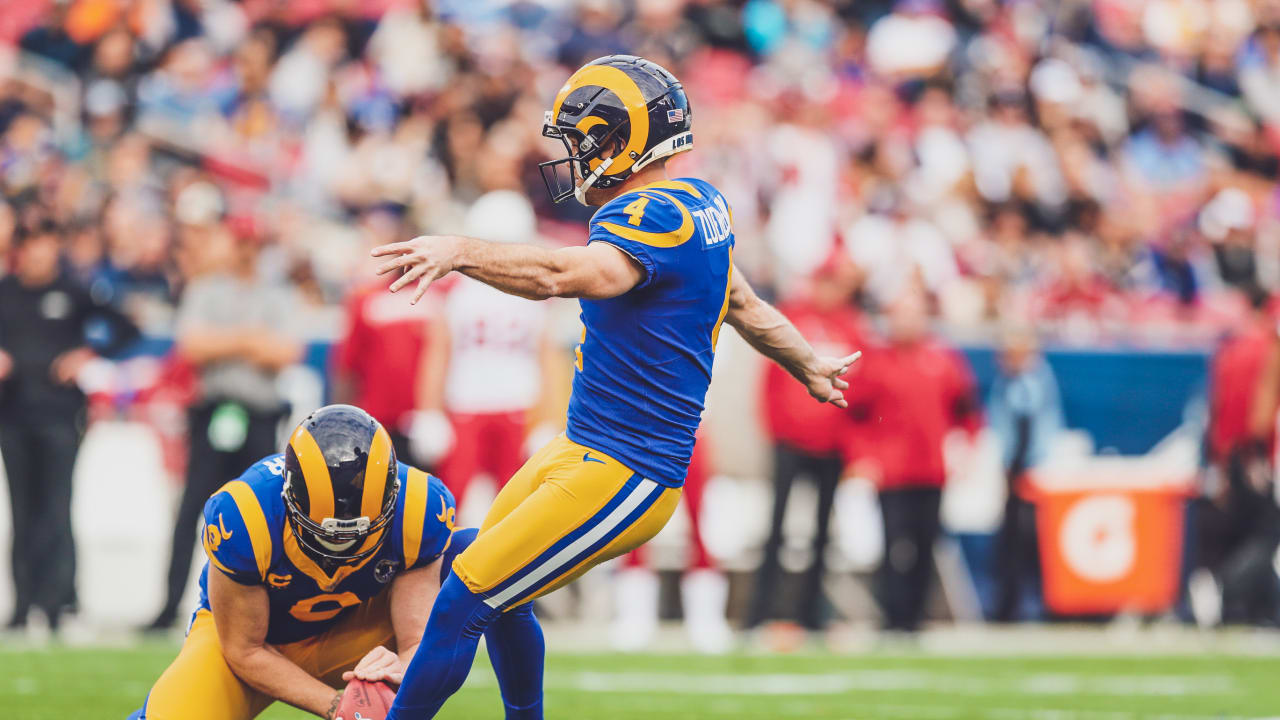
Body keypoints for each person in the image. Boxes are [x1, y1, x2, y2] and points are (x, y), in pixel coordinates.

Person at [370, 55, 859, 719]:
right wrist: (807, 362)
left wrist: (460, 249)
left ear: (621, 141)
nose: (571, 158)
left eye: (581, 143)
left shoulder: (654, 219)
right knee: (471, 559)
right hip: (583, 448)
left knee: (466, 597)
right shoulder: (700, 204)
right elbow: (741, 302)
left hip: (626, 471)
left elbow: (558, 276)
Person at [128, 404, 543, 720]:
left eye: (359, 532)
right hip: (259, 641)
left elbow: (416, 638)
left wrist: (395, 668)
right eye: (327, 533)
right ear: (290, 500)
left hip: (355, 631)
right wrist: (338, 706)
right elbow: (245, 649)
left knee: (478, 552)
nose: (342, 548)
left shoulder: (418, 507)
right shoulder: (245, 513)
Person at [147, 224, 304, 630]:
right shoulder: (207, 289)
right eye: (242, 243)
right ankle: (169, 604)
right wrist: (250, 340)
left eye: (254, 244)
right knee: (190, 510)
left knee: (267, 513)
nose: (247, 252)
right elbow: (192, 346)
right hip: (213, 411)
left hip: (258, 414)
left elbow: (286, 351)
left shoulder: (277, 293)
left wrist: (228, 343)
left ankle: (272, 609)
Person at [0, 219, 139, 630]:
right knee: (21, 509)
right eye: (33, 244)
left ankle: (59, 601)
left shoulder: (74, 292)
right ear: (21, 249)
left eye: (47, 243)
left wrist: (88, 353)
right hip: (12, 415)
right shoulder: (5, 292)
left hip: (61, 415)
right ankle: (23, 603)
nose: (40, 253)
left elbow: (127, 327)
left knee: (57, 507)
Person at [746, 253, 869, 634]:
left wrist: (851, 446)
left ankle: (811, 614)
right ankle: (760, 612)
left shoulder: (853, 327)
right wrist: (777, 430)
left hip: (831, 447)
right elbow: (771, 380)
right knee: (776, 526)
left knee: (822, 533)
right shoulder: (792, 317)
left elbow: (863, 392)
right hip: (791, 443)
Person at [411, 191, 556, 513]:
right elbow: (438, 354)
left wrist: (548, 419)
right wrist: (429, 412)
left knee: (520, 506)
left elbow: (547, 359)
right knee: (451, 501)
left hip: (516, 405)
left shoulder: (532, 293)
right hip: (469, 404)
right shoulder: (454, 291)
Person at [846, 289, 980, 633]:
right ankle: (893, 618)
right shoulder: (876, 361)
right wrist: (862, 458)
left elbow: (967, 412)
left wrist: (964, 451)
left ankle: (917, 618)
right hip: (891, 472)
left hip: (931, 470)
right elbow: (854, 415)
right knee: (893, 546)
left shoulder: (943, 360)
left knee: (926, 545)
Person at [985, 327, 1062, 622]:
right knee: (1014, 543)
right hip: (1024, 472)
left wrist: (1014, 473)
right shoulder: (1019, 381)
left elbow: (1024, 429)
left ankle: (1020, 607)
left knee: (1022, 543)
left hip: (1026, 475)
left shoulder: (1028, 382)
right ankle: (1015, 605)